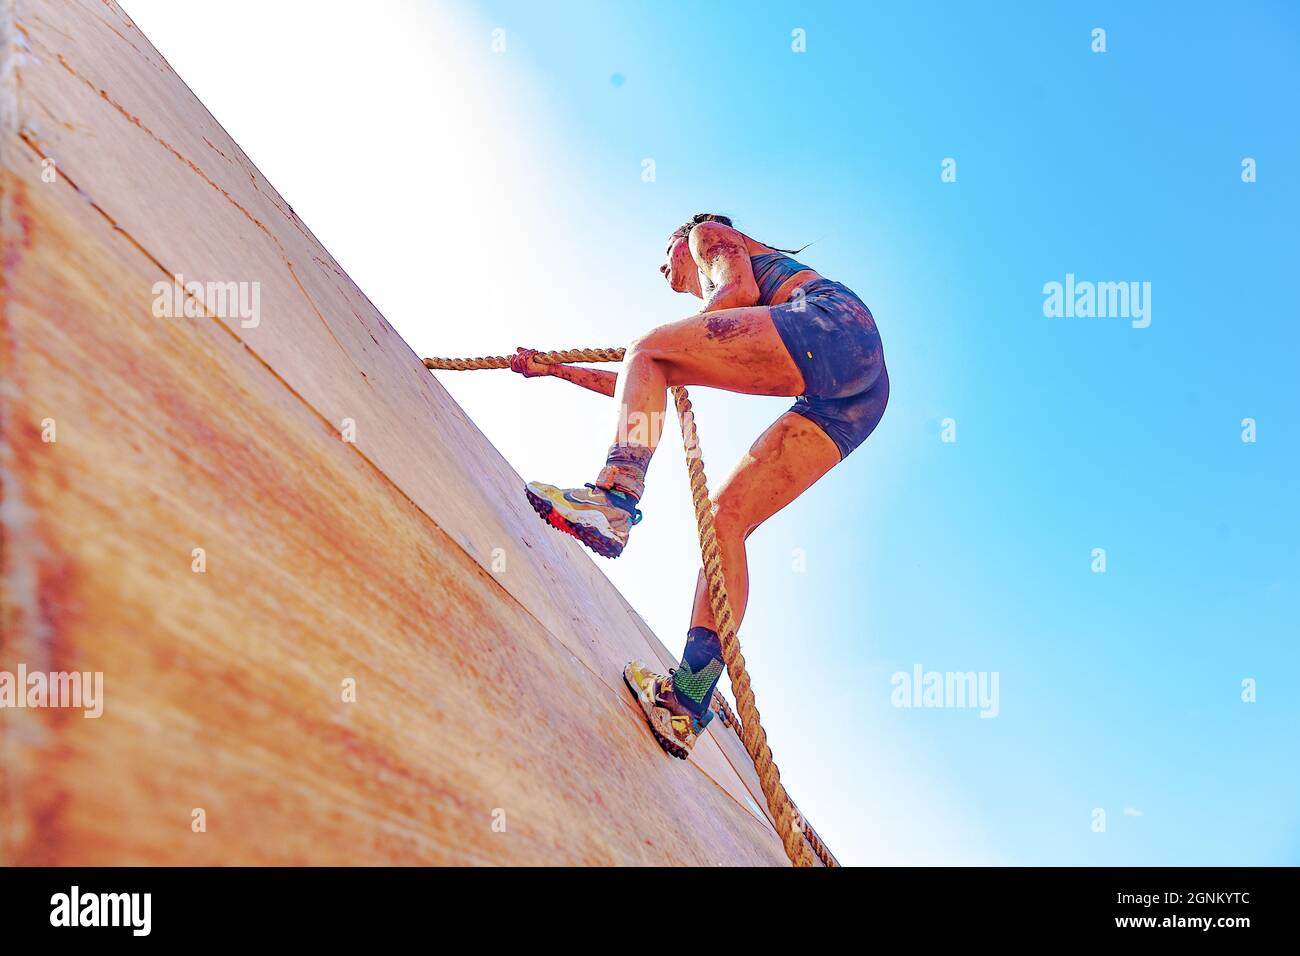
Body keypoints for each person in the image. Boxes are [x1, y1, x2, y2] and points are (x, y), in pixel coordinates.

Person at [514, 213, 888, 758]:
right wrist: (557, 371)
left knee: (649, 346)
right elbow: (647, 383)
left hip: (831, 326)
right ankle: (686, 702)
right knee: (725, 519)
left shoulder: (707, 232)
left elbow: (726, 296)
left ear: (681, 243)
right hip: (860, 391)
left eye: (666, 255)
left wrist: (667, 348)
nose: (663, 266)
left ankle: (613, 498)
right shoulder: (743, 299)